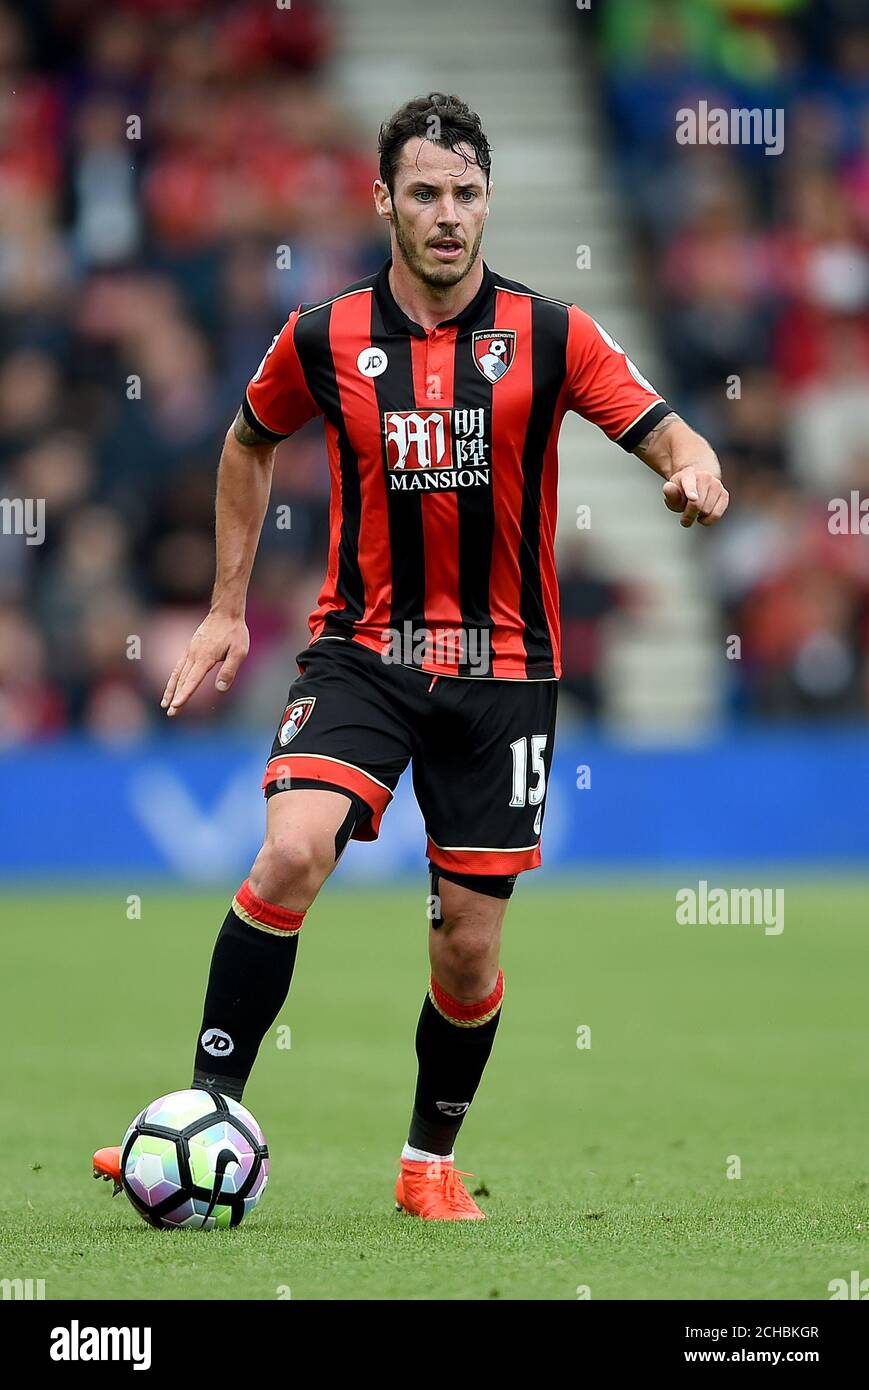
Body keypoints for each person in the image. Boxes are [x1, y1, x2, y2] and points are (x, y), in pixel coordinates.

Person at [94, 93, 728, 1220]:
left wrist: (695, 467)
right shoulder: (322, 335)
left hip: (505, 674)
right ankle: (203, 1113)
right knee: (291, 852)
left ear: (488, 203)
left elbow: (667, 428)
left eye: (466, 194)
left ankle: (427, 1162)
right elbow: (247, 440)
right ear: (383, 200)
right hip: (363, 654)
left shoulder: (551, 334)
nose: (447, 214)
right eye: (425, 193)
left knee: (467, 952)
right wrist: (227, 608)